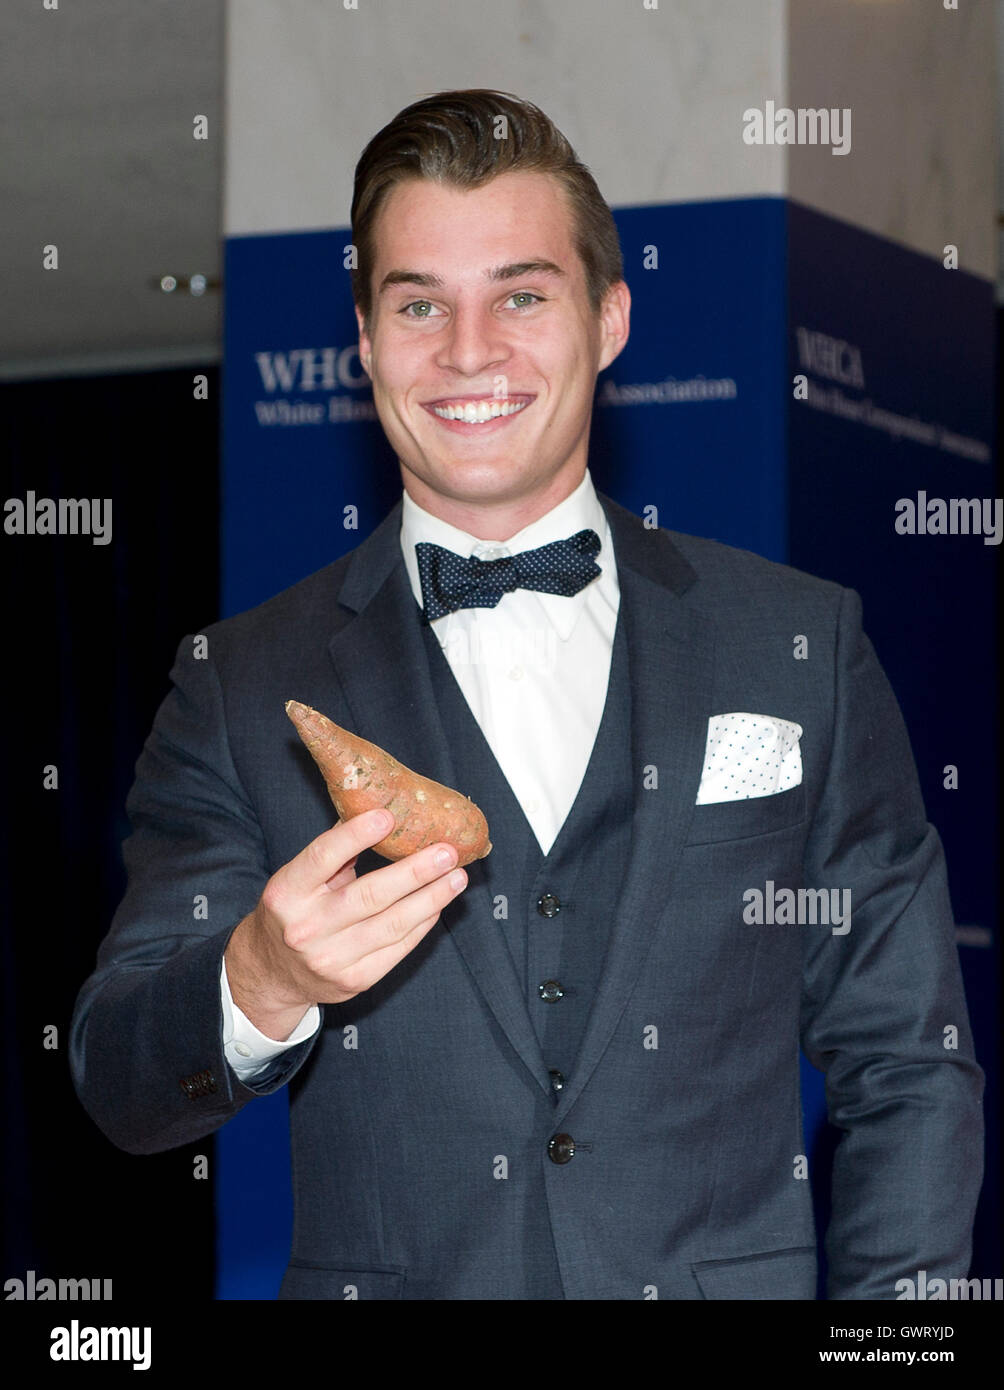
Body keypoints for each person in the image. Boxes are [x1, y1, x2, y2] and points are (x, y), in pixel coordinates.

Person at [70, 89, 984, 1300]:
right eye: (417, 305)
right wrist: (263, 978)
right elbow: (120, 1083)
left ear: (607, 318)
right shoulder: (239, 685)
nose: (466, 352)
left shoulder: (796, 643)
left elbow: (904, 1059)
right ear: (362, 339)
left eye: (520, 294)